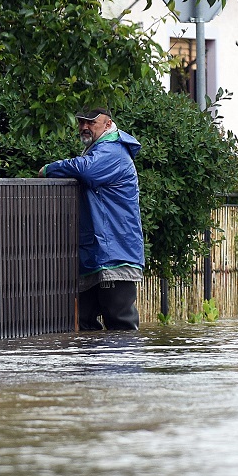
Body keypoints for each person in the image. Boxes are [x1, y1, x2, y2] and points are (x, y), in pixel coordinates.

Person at [40, 107, 144, 330]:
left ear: (108, 125)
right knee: (83, 321)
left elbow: (85, 170)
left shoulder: (113, 152)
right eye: (81, 122)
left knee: (119, 321)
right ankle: (92, 366)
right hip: (96, 253)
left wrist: (50, 168)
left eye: (91, 123)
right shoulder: (99, 150)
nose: (84, 127)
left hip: (116, 253)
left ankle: (123, 365)